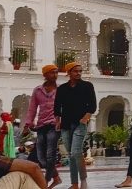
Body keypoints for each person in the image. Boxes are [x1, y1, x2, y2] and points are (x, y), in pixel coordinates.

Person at [53, 61, 95, 189]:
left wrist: (86, 117)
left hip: (80, 124)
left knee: (76, 152)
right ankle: (74, 184)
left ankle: (83, 180)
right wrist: (58, 121)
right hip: (65, 124)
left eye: (80, 71)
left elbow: (92, 105)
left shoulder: (87, 86)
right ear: (69, 72)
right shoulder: (62, 89)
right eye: (76, 71)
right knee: (71, 154)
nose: (78, 73)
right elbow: (56, 106)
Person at [0, 116, 48, 189]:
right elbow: (34, 167)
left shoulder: (7, 125)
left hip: (10, 142)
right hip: (11, 143)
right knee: (21, 176)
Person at [23, 64, 59, 188]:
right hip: (41, 125)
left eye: (56, 72)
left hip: (54, 125)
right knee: (41, 157)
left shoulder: (60, 90)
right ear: (45, 75)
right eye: (52, 72)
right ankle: (57, 178)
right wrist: (28, 124)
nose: (55, 75)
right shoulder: (38, 90)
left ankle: (45, 182)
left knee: (50, 156)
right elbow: (32, 109)